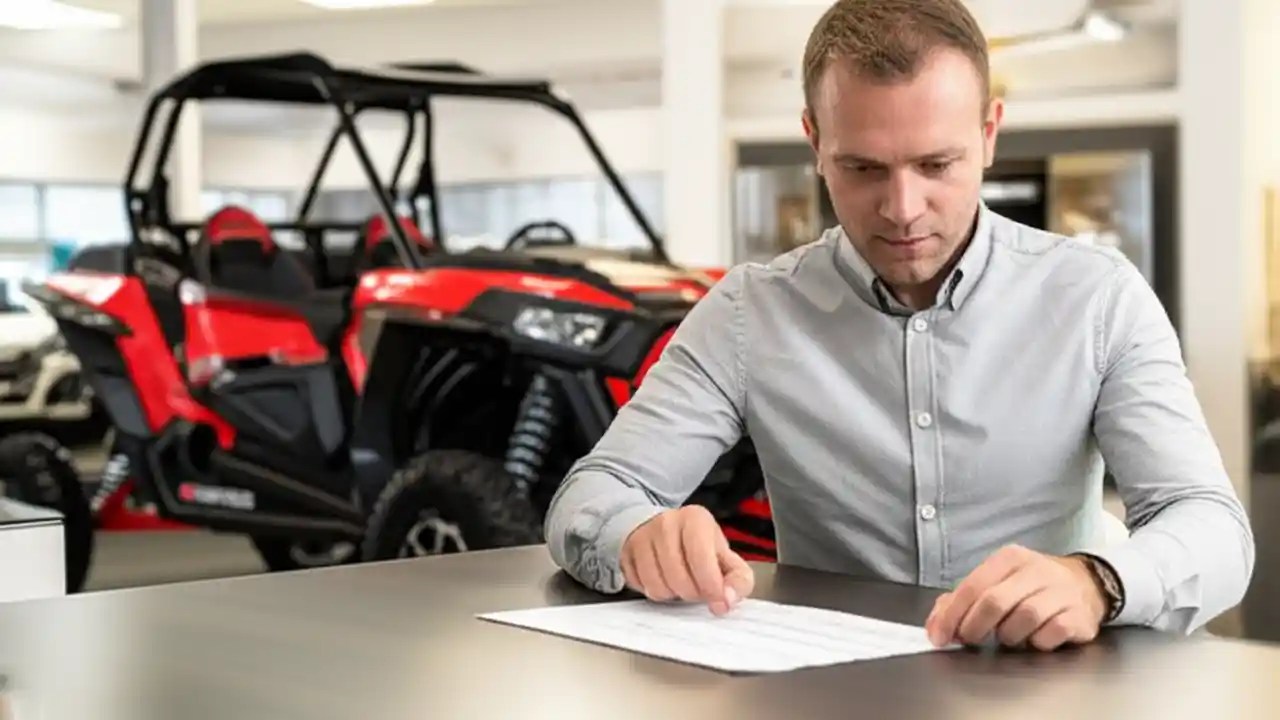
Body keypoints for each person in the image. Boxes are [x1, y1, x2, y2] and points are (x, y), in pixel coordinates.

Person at [544, 0, 1255, 651]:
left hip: (1051, 692)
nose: (903, 207)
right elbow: (589, 496)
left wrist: (1098, 580)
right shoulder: (746, 315)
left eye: (936, 164)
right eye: (863, 168)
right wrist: (638, 533)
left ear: (989, 134)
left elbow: (1214, 528)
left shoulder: (1099, 300)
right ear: (815, 142)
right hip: (830, 692)